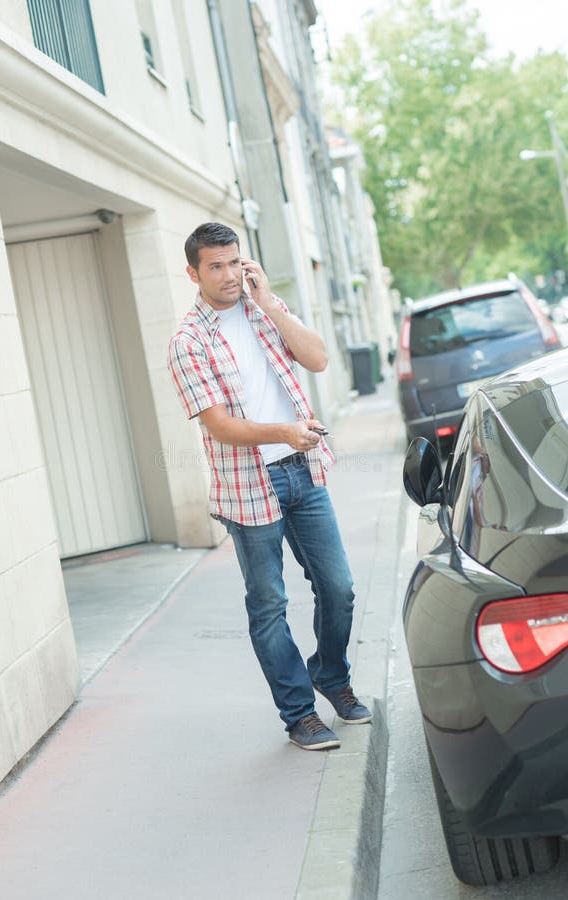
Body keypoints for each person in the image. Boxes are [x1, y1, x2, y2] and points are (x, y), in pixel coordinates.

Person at [168, 222, 372, 751]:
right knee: (268, 604)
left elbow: (319, 358)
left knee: (339, 589)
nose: (230, 274)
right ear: (193, 273)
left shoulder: (264, 307)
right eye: (216, 265)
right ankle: (300, 713)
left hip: (303, 473)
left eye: (235, 261)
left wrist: (272, 305)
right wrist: (285, 432)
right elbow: (218, 425)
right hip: (248, 486)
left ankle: (331, 674)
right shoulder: (187, 343)